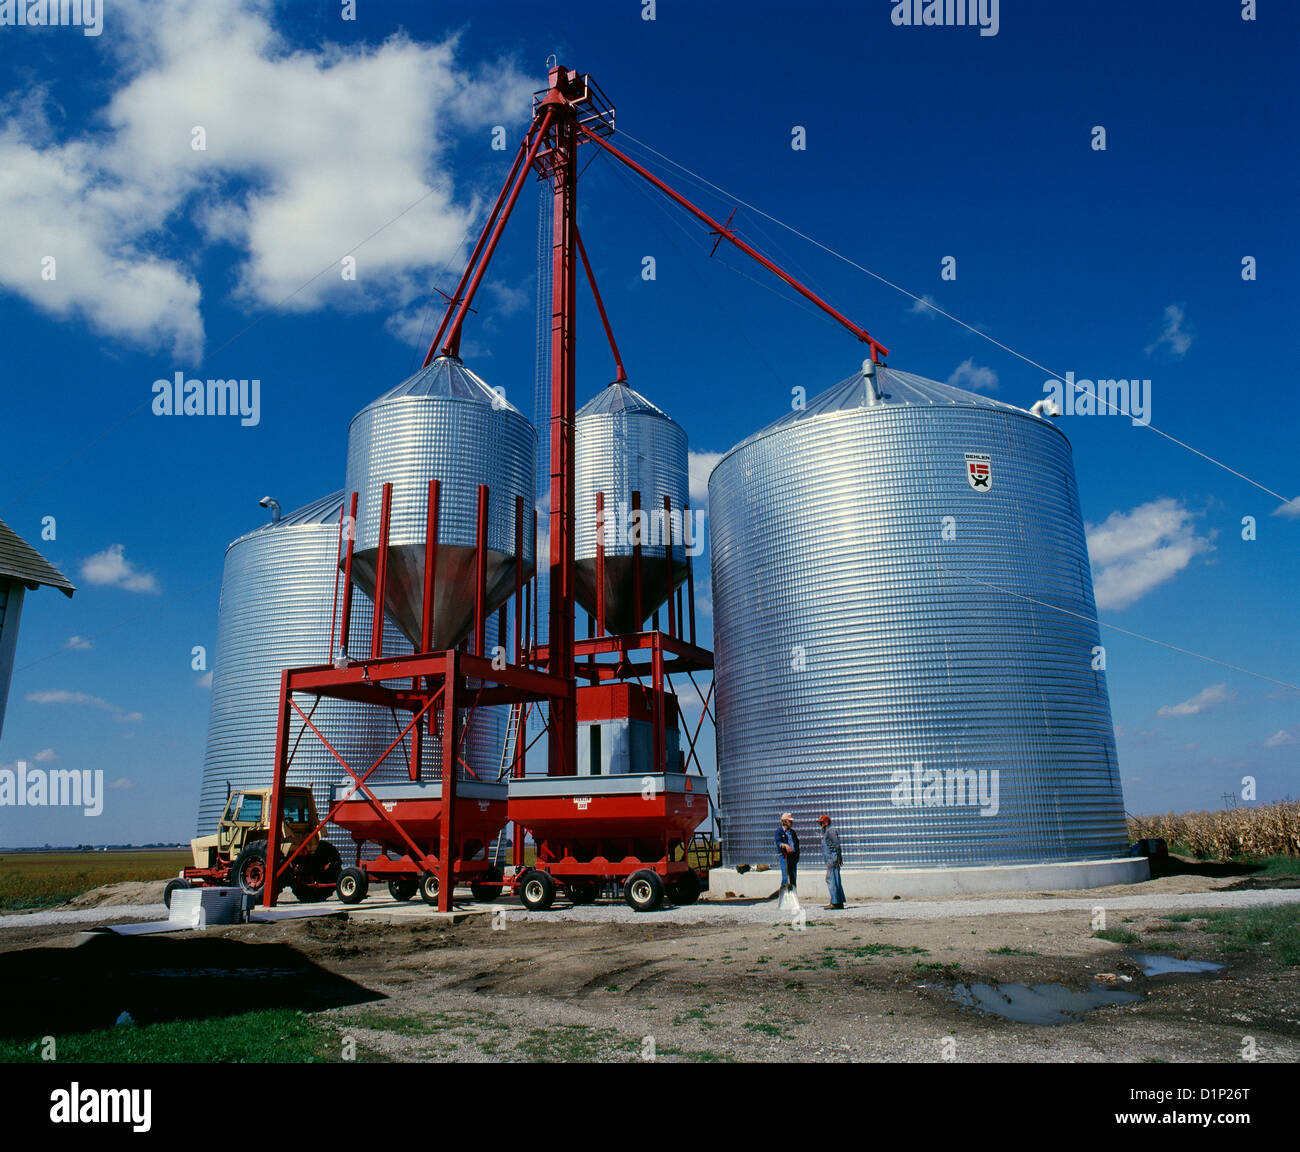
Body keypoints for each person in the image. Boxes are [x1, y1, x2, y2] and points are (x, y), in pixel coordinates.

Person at [818, 814, 845, 909]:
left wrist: (839, 857)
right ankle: (838, 902)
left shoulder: (831, 831)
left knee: (831, 880)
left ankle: (835, 902)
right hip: (831, 860)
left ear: (826, 822)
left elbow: (837, 845)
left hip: (832, 860)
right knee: (835, 880)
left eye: (821, 823)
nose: (820, 825)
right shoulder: (826, 832)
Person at [775, 812, 799, 892]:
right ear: (784, 822)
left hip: (793, 857)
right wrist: (784, 845)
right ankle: (784, 894)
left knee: (793, 877)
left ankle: (793, 894)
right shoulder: (779, 831)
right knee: (785, 877)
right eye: (789, 821)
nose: (791, 822)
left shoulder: (792, 832)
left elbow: (796, 843)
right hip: (784, 857)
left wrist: (797, 855)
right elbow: (778, 842)